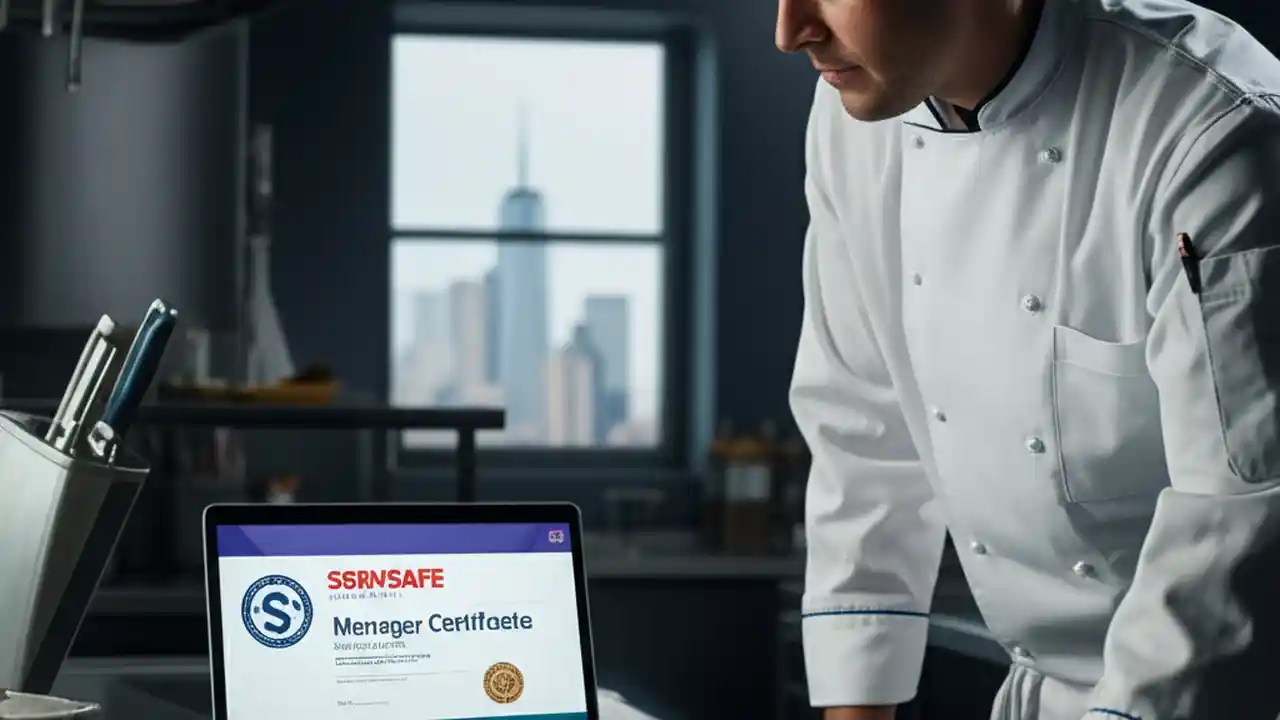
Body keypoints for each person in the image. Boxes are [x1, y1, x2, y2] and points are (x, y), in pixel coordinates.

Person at [777, 0, 1280, 718]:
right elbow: (864, 429)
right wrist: (858, 704)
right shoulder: (857, 117)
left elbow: (1243, 516)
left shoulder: (1215, 128)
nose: (790, 30)